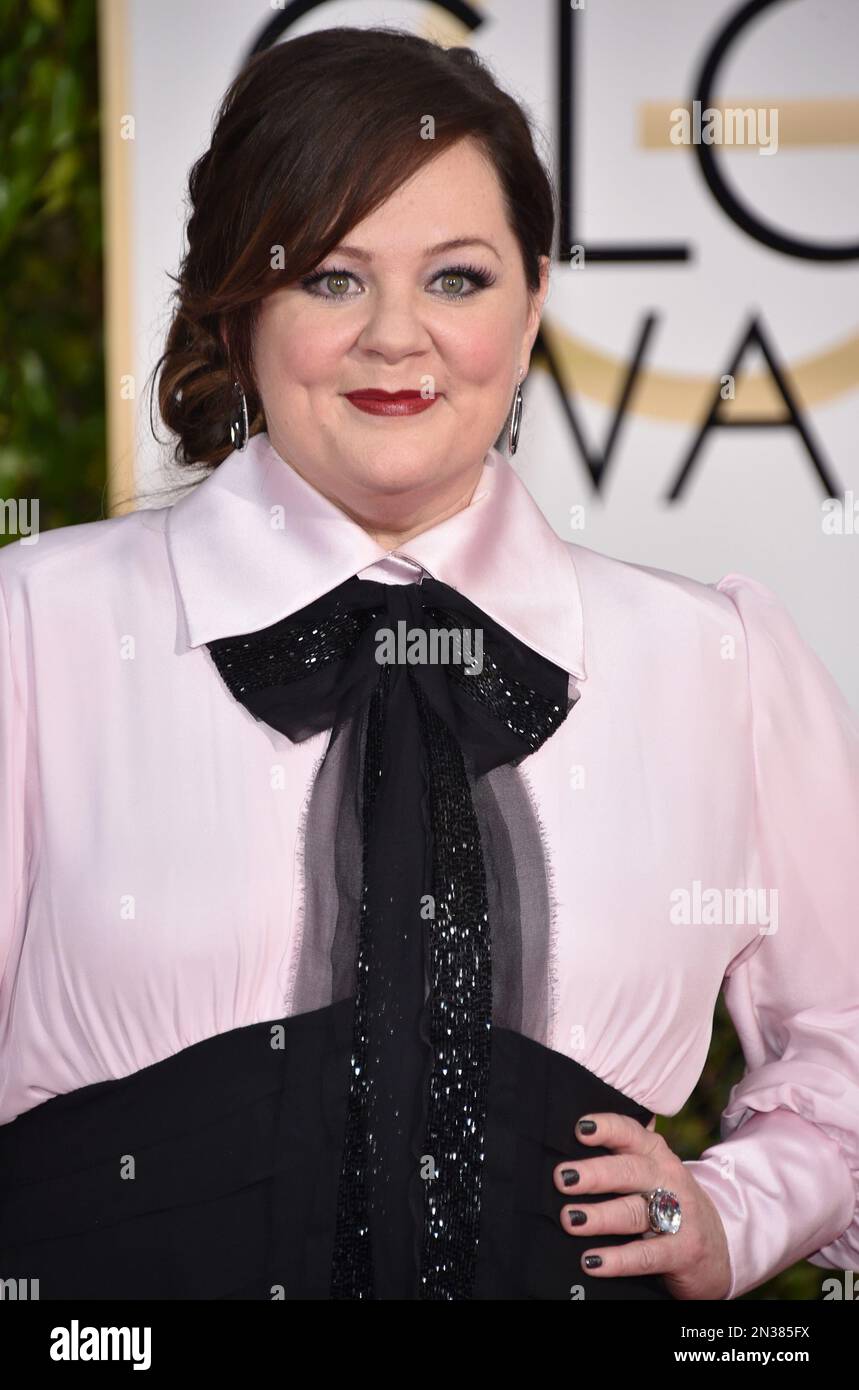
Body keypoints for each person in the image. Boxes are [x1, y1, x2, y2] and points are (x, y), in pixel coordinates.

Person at [0, 26, 857, 1302]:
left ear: (530, 313)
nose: (396, 340)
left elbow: (843, 1058)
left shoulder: (712, 661)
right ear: (239, 309)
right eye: (334, 279)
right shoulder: (35, 626)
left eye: (456, 279)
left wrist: (736, 1207)